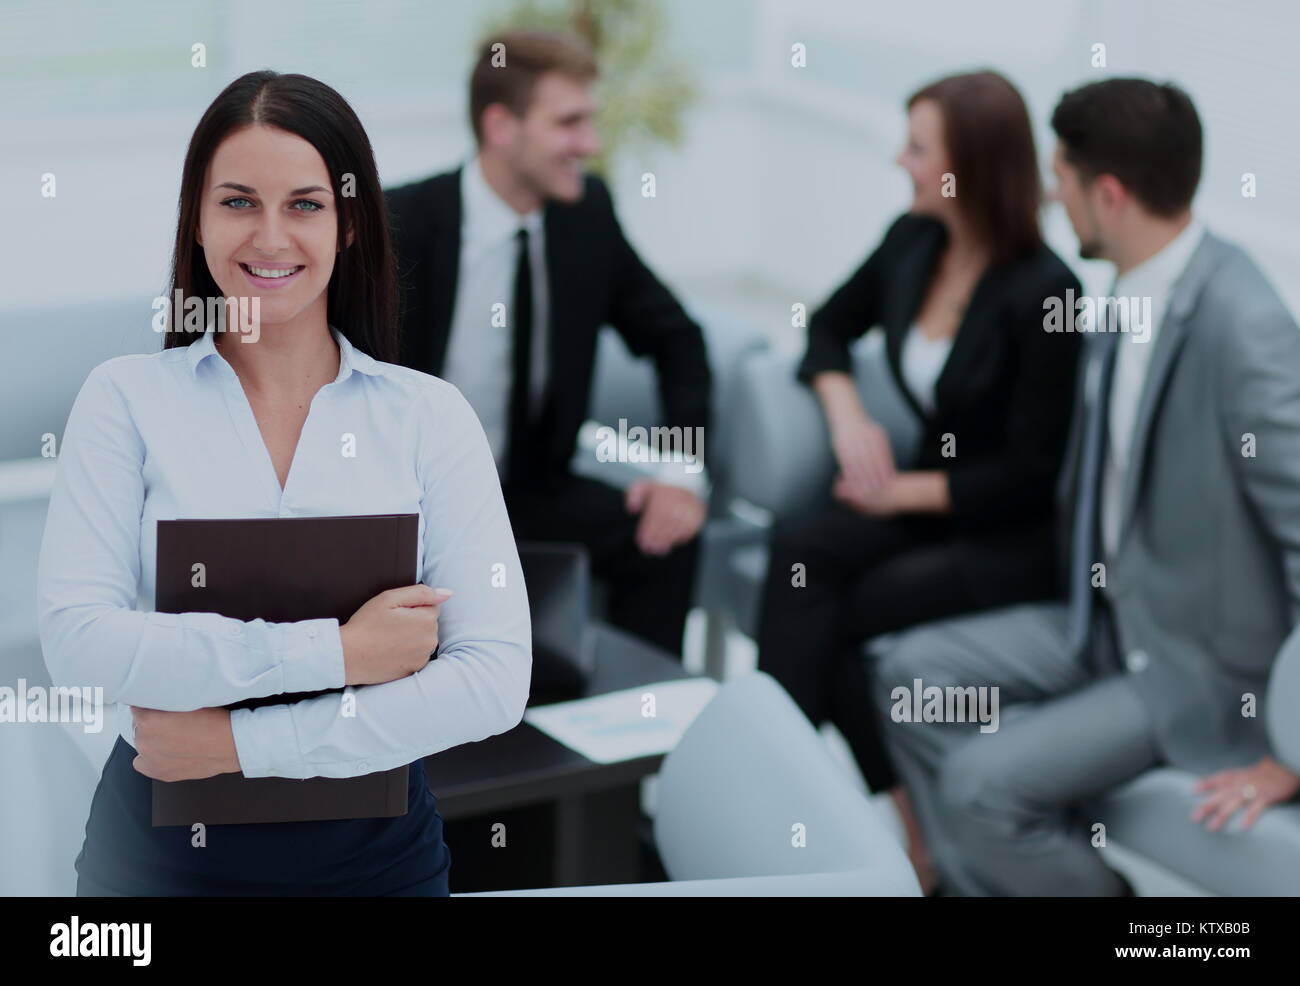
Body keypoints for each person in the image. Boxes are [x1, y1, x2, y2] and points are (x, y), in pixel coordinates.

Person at [36, 70, 531, 897]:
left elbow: (491, 680)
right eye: (237, 202)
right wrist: (342, 652)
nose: (269, 238)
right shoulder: (125, 400)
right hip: (157, 867)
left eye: (304, 204)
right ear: (196, 220)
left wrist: (237, 745)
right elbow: (79, 644)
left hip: (378, 864)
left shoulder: (428, 418)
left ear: (351, 227)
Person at [874, 77, 1300, 896]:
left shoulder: (1243, 326)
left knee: (979, 788)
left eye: (1060, 180)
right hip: (1101, 623)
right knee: (908, 677)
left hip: (1196, 670)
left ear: (1107, 194)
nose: (1049, 196)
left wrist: (1291, 752)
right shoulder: (1123, 292)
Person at [754, 71, 1083, 888]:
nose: (900, 161)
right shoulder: (914, 241)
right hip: (931, 499)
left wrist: (898, 491)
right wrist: (849, 417)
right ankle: (885, 820)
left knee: (838, 614)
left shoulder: (1049, 293)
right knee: (799, 553)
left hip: (1008, 532)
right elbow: (826, 328)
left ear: (967, 163)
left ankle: (860, 830)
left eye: (917, 146)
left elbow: (1033, 477)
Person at [385, 30, 712, 658]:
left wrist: (679, 473)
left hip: (531, 493)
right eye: (570, 123)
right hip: (412, 509)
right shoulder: (401, 223)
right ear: (502, 126)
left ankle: (637, 733)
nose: (589, 145)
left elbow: (677, 339)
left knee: (668, 536)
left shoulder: (584, 214)